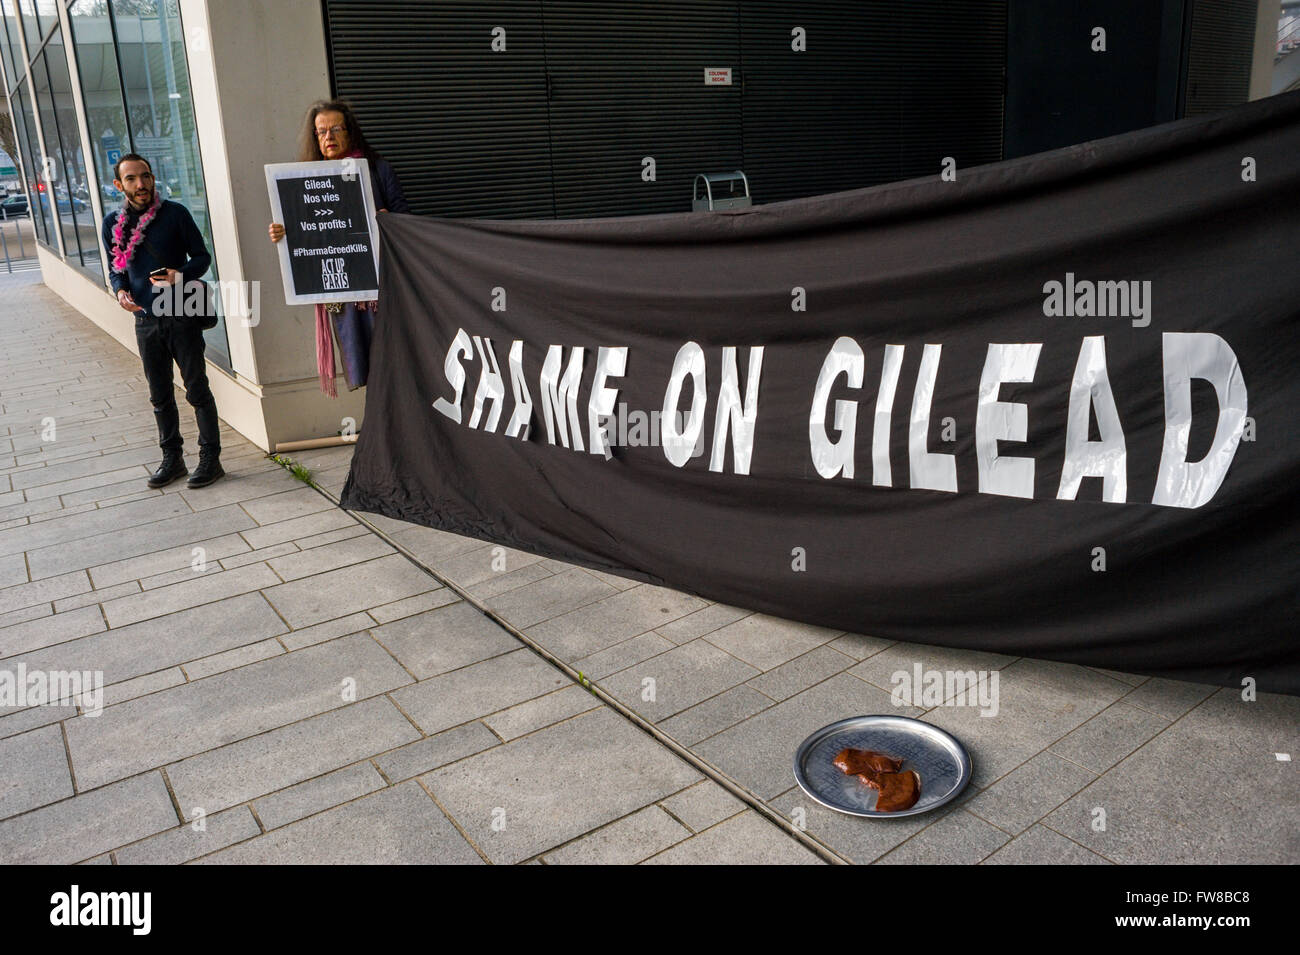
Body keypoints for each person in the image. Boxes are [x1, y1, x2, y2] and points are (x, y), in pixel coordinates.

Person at [268, 99, 410, 395]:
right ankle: (380, 425)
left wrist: (390, 221)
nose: (328, 137)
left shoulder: (378, 170)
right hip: (343, 290)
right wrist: (284, 233)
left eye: (335, 129)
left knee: (397, 361)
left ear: (351, 132)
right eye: (320, 132)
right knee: (364, 367)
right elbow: (307, 233)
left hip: (382, 286)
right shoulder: (307, 181)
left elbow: (407, 222)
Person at [102, 153, 224, 489]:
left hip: (182, 312)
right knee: (159, 395)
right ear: (119, 185)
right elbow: (117, 269)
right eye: (131, 179)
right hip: (145, 319)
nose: (141, 184)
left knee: (197, 388)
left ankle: (211, 458)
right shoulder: (112, 223)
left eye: (145, 176)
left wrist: (178, 274)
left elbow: (202, 258)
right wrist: (120, 291)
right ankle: (173, 459)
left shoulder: (175, 215)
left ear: (153, 177)